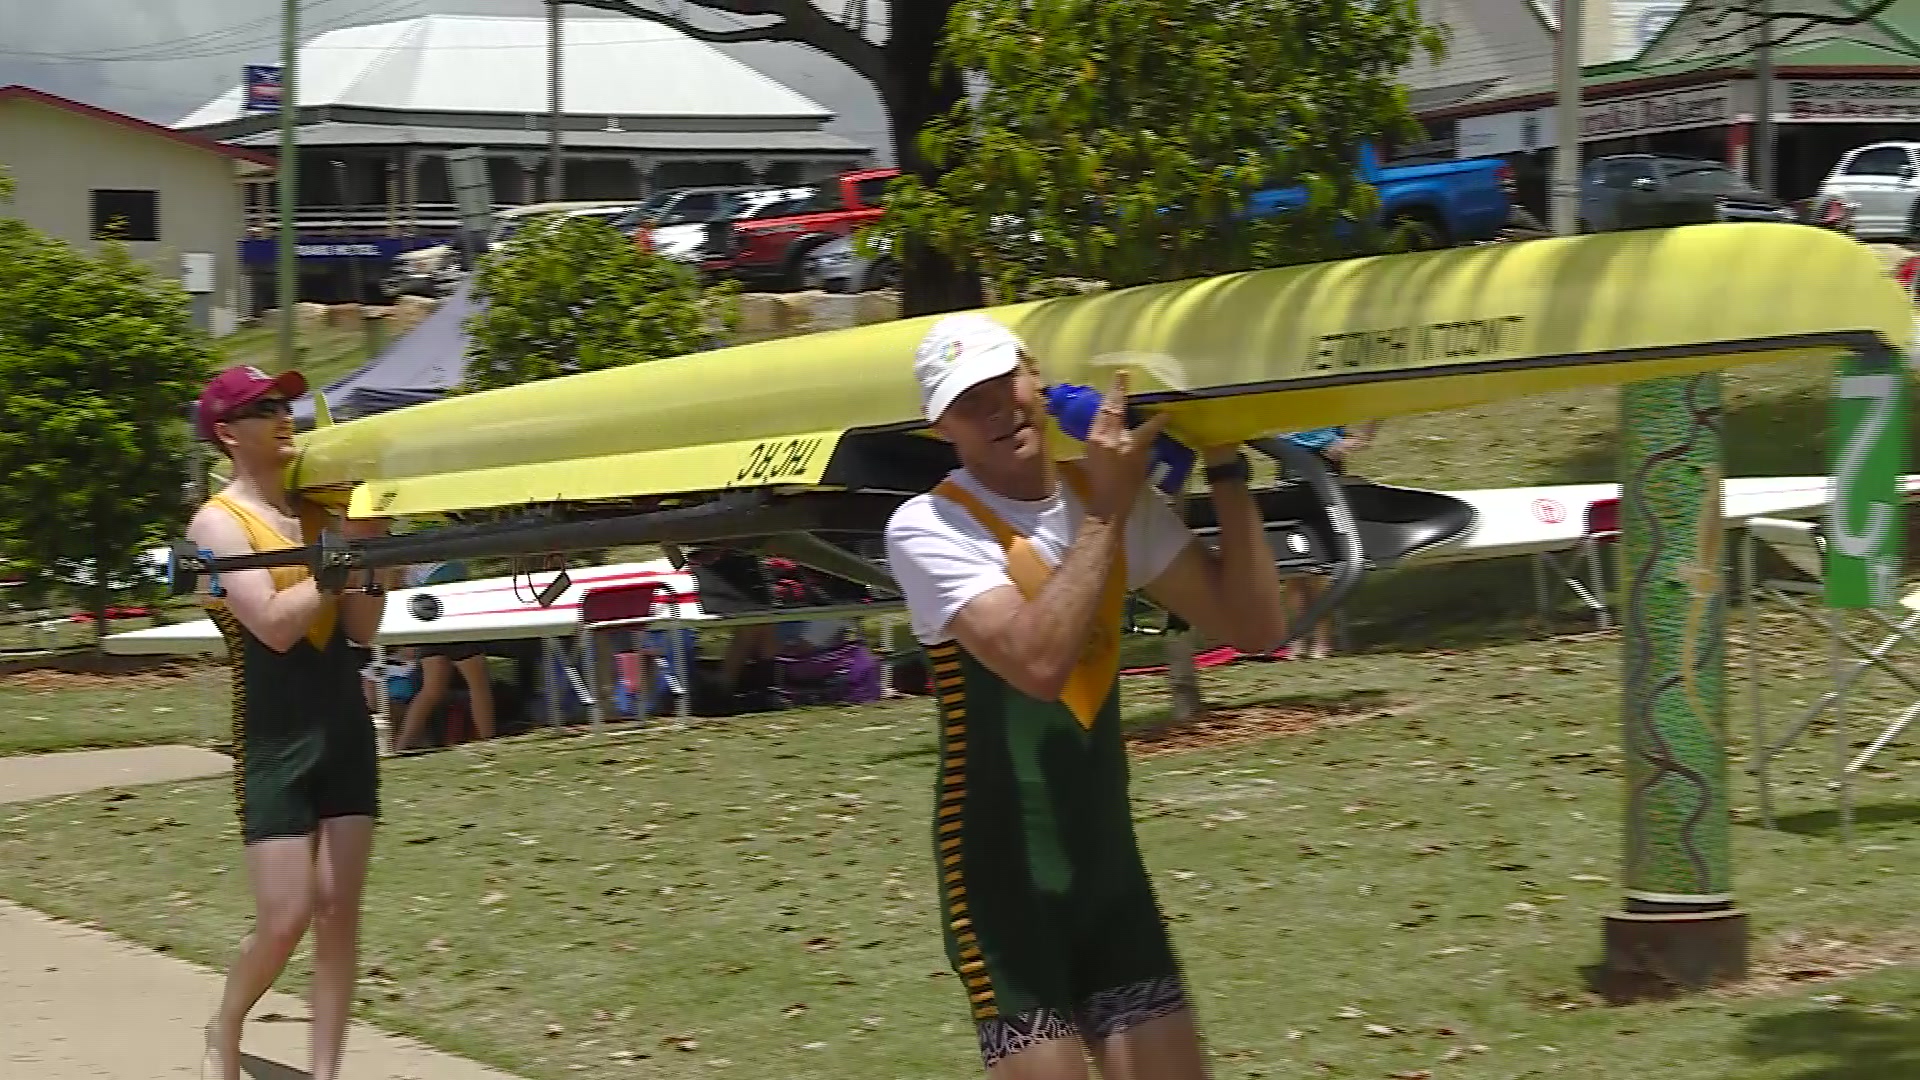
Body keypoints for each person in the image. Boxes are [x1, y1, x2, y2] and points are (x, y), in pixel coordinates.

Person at [883, 314, 1290, 1079]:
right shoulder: (928, 526)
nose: (996, 408)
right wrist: (1105, 510)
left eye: (1004, 381)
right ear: (942, 429)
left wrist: (1227, 460)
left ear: (1035, 376)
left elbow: (1255, 624)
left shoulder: (1109, 493)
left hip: (1107, 868)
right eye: (967, 402)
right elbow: (1035, 662)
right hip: (1002, 886)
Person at [186, 366, 395, 1080]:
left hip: (343, 729)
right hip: (274, 739)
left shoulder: (318, 515)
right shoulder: (216, 522)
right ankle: (226, 1023)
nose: (285, 415)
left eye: (288, 404)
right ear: (227, 433)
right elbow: (274, 626)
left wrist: (371, 542)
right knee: (287, 915)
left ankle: (328, 1072)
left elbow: (363, 628)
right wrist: (337, 563)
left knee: (339, 913)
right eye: (264, 408)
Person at [1279, 423, 1377, 659]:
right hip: (1289, 464)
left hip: (1324, 467)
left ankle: (1323, 640)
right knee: (1294, 562)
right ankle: (1299, 638)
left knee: (1318, 563)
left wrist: (1359, 437)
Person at [392, 561, 496, 752]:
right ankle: (488, 741)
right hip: (451, 616)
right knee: (479, 686)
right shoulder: (446, 559)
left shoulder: (401, 562)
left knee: (432, 690)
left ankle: (401, 746)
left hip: (425, 620)